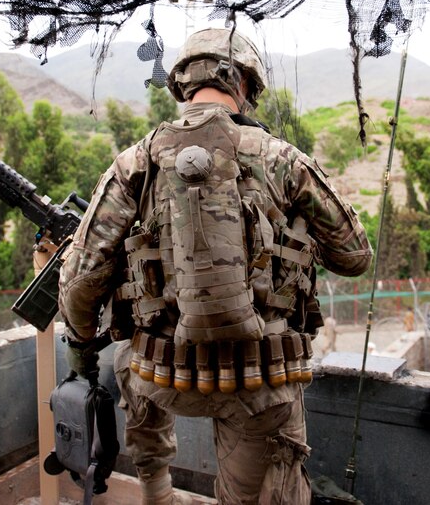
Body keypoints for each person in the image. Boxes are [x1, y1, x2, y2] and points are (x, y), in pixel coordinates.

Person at [56, 27, 371, 504]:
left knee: (127, 356)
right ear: (243, 82)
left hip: (160, 378)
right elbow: (354, 258)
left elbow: (81, 282)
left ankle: (157, 492)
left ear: (183, 84)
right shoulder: (280, 157)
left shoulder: (133, 163)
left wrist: (80, 351)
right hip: (258, 379)